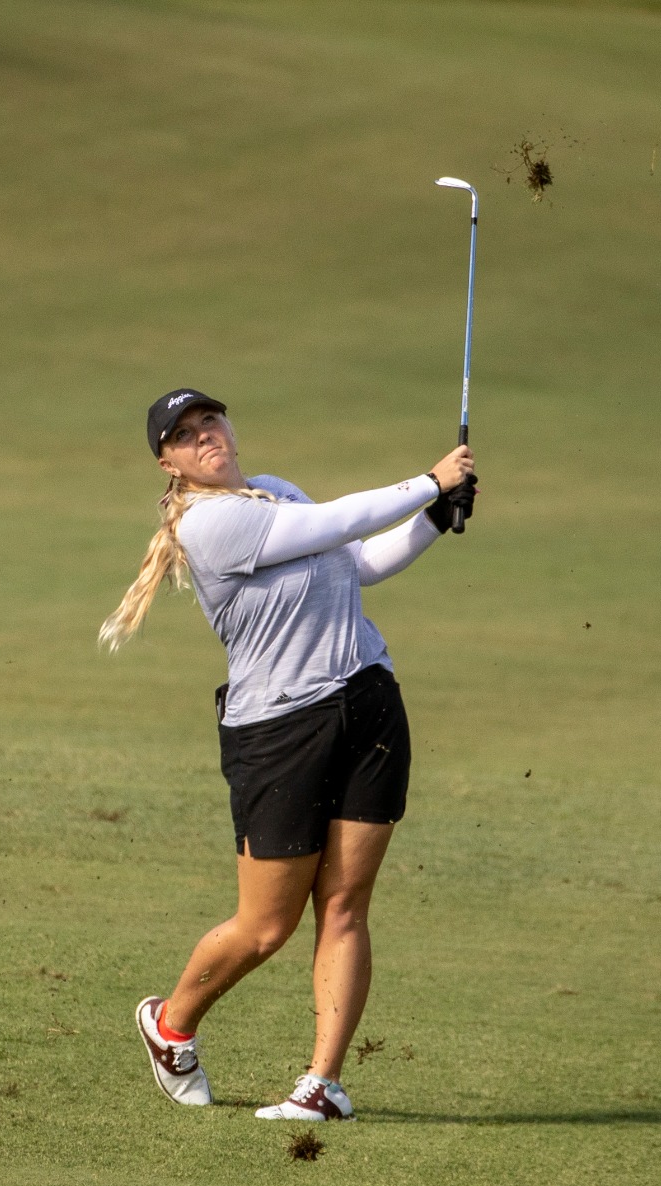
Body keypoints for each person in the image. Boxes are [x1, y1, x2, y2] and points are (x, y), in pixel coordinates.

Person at [101, 388, 477, 1121]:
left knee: (344, 905)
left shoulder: (273, 493)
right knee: (266, 926)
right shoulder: (211, 524)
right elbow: (340, 520)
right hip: (278, 731)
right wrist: (429, 482)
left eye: (210, 419)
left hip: (366, 702)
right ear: (168, 462)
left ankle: (324, 1084)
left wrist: (434, 519)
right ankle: (170, 1024)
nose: (204, 434)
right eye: (185, 433)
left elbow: (359, 561)